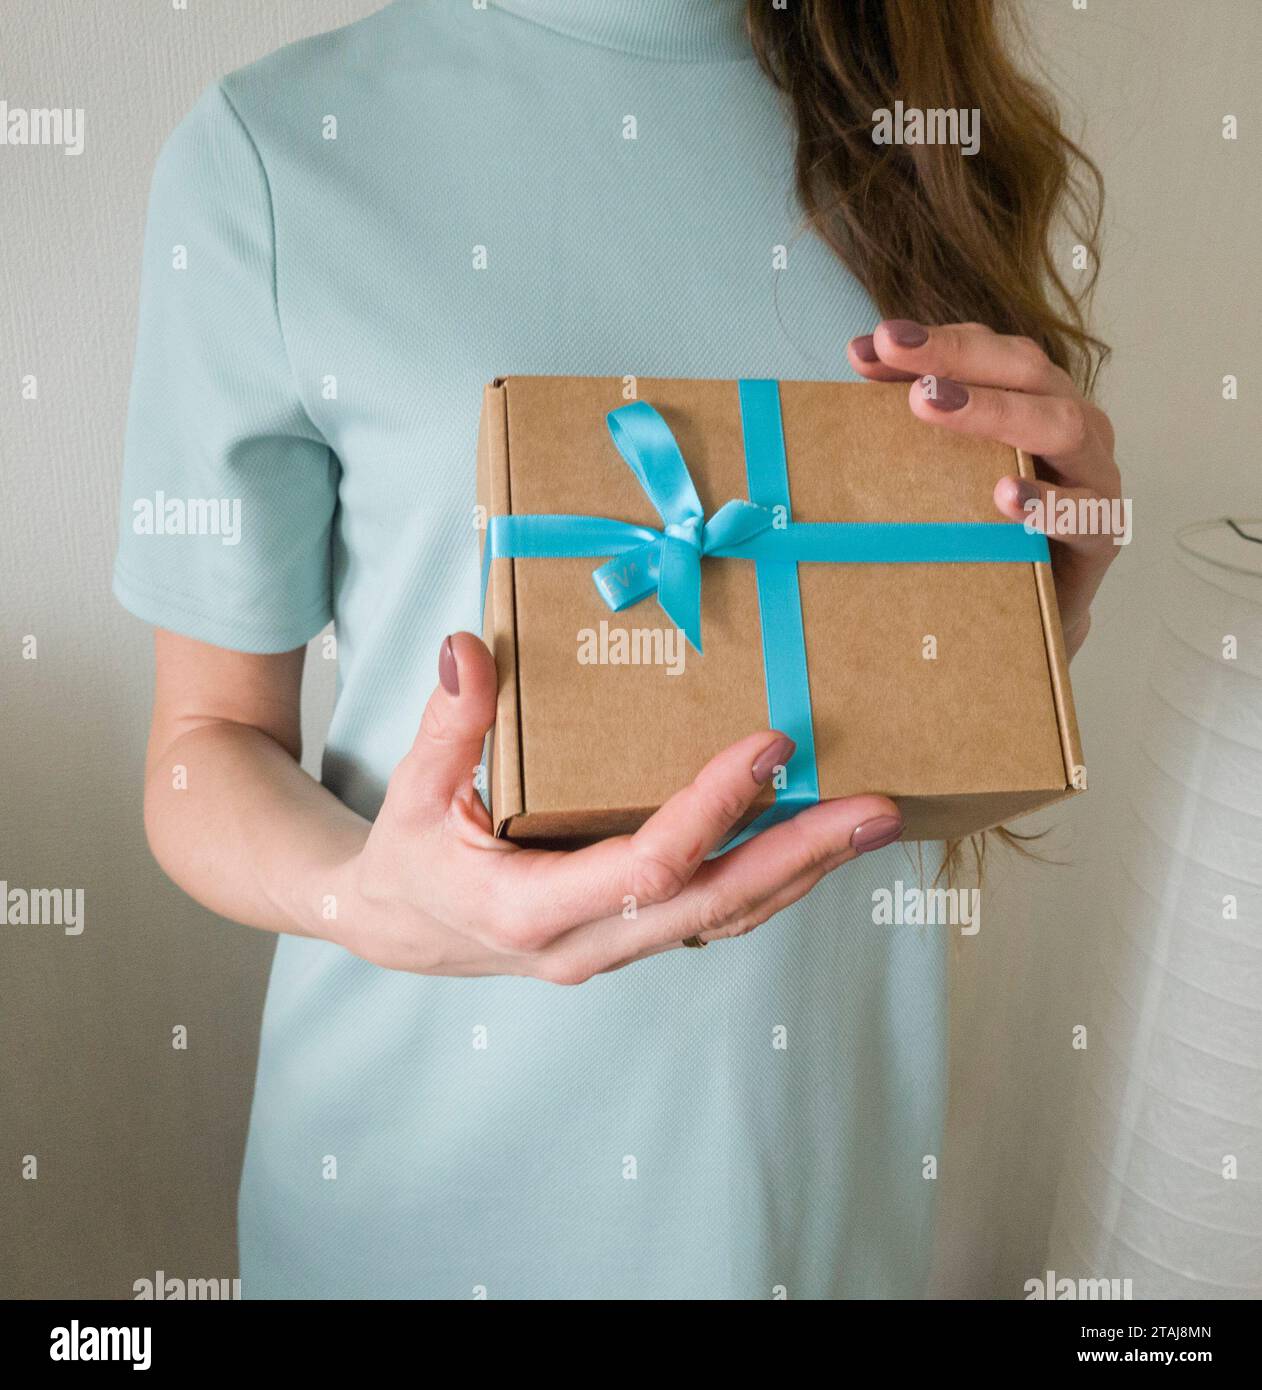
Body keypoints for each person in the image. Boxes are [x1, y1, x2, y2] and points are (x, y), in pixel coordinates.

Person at [114, 0, 1120, 1298]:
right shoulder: (271, 148)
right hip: (424, 1196)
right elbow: (201, 751)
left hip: (812, 1175)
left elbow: (878, 679)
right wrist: (374, 898)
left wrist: (1038, 607)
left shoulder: (926, 122)